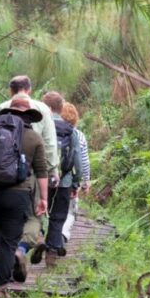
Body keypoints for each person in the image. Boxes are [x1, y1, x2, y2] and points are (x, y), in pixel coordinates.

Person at [0, 75, 59, 280]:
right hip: (28, 179)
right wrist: (53, 173)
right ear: (29, 89)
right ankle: (20, 250)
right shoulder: (43, 110)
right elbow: (50, 146)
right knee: (32, 217)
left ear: (11, 91)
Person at [0, 97, 49, 298]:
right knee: (9, 240)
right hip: (17, 194)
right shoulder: (33, 137)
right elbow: (42, 171)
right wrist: (43, 198)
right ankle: (0, 289)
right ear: (28, 116)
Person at [38, 92, 82, 267]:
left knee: (37, 212)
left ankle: (38, 237)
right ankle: (52, 254)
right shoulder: (70, 130)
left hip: (41, 179)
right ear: (60, 107)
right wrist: (76, 182)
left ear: (46, 107)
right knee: (58, 216)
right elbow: (76, 157)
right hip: (64, 180)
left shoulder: (39, 126)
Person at [60, 102, 90, 244]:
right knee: (70, 210)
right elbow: (83, 161)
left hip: (47, 178)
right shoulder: (79, 135)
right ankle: (63, 234)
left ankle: (45, 236)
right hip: (68, 179)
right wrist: (84, 181)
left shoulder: (49, 130)